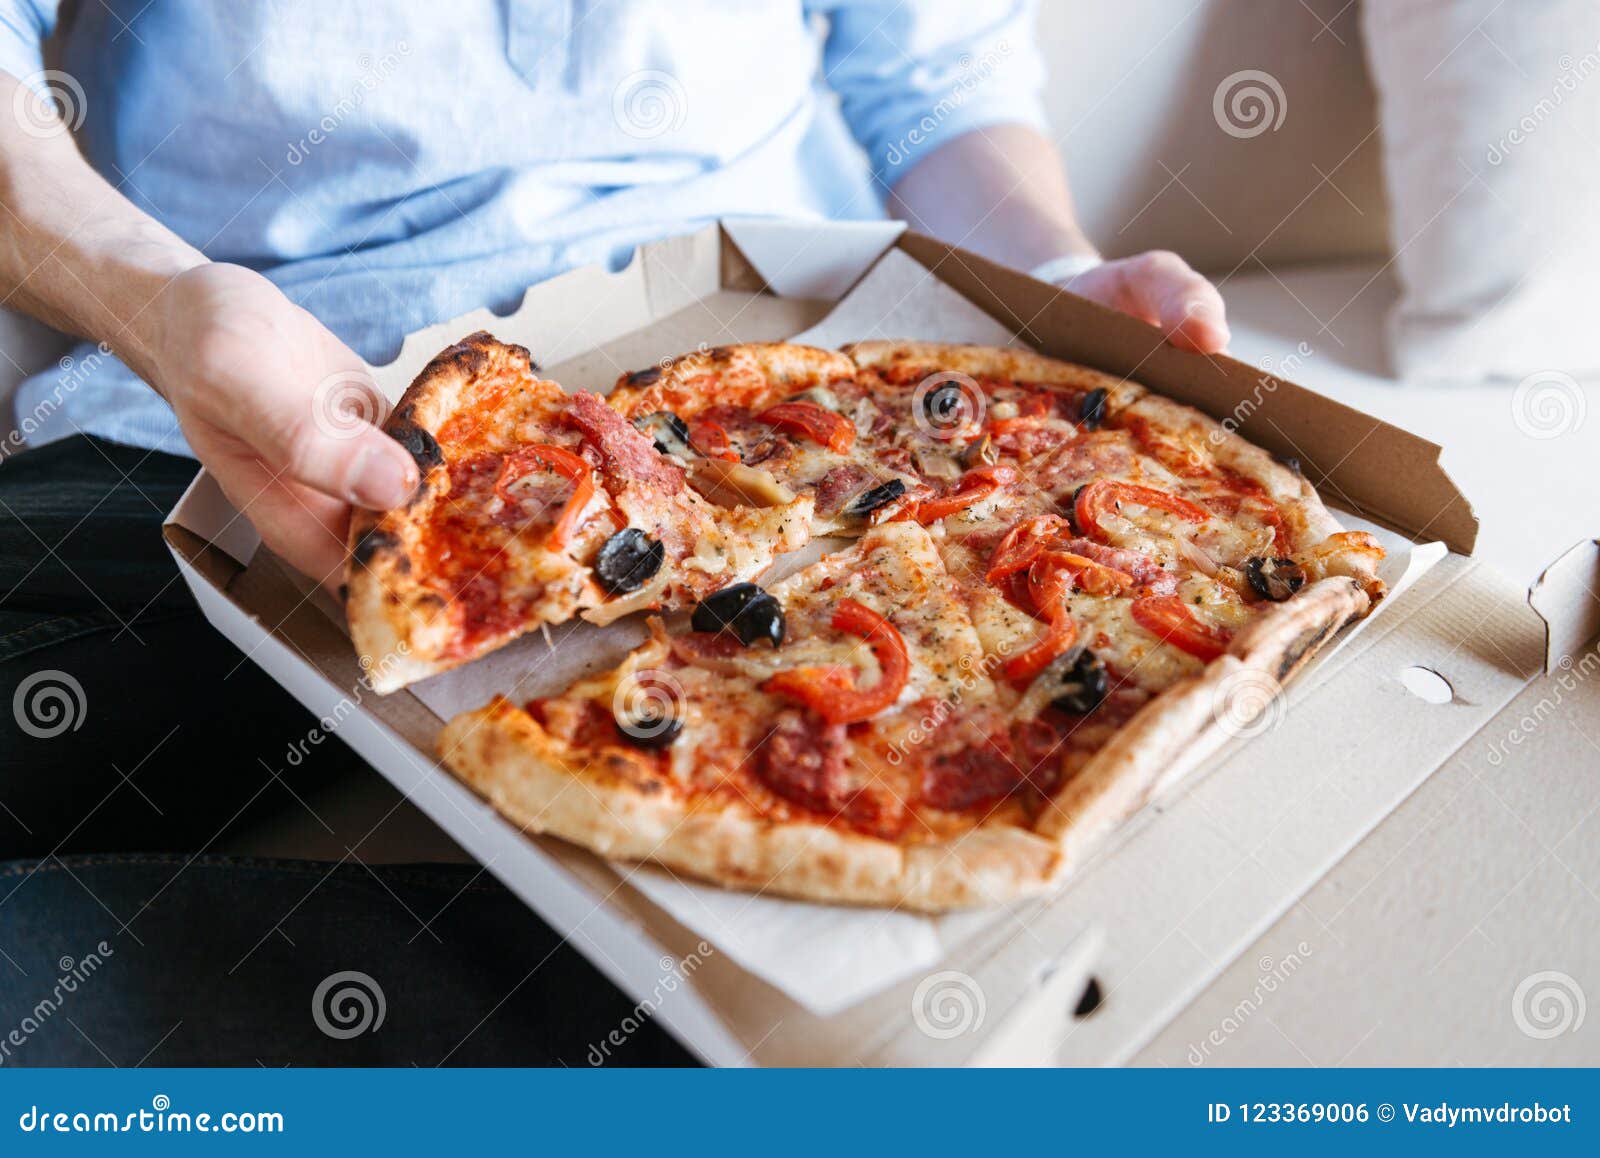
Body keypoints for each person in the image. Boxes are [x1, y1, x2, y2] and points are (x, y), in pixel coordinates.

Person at [0, 2, 1228, 1064]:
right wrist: (154, 302)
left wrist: (1048, 268)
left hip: (773, 360)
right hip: (201, 404)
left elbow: (935, 71)